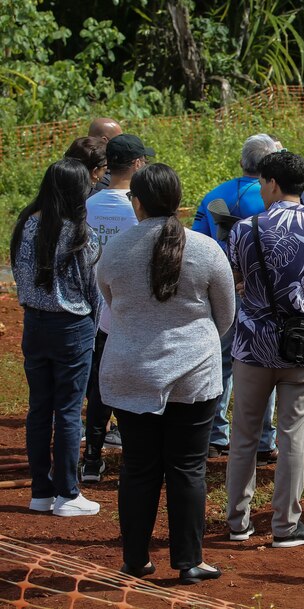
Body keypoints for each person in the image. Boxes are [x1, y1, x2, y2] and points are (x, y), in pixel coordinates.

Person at [98, 163, 235, 584]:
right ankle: (189, 561)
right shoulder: (206, 249)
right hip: (193, 376)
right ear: (178, 201)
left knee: (137, 467)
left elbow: (107, 301)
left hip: (128, 374)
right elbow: (225, 315)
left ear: (136, 202)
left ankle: (135, 559)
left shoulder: (115, 250)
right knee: (187, 467)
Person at [226, 151, 304, 548]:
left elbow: (236, 278)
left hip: (251, 346)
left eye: (261, 183)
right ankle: (286, 526)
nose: (260, 189)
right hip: (299, 347)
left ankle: (238, 523)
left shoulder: (243, 229)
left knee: (244, 436)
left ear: (273, 183)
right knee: (293, 437)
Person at [11, 158, 102, 517]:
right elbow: (93, 291)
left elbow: (20, 273)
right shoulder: (81, 233)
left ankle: (41, 491)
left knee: (39, 408)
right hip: (71, 326)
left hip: (34, 324)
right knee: (67, 411)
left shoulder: (24, 226)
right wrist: (93, 331)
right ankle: (67, 493)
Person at [191, 134, 280, 463]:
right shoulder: (274, 197)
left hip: (222, 286)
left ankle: (215, 433)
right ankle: (263, 438)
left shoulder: (216, 194)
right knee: (265, 358)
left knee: (222, 359)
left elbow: (198, 242)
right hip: (263, 289)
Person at [78, 134, 151, 482]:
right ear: (136, 164)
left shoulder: (88, 203)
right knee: (134, 379)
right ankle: (134, 453)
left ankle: (91, 459)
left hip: (90, 305)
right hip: (129, 305)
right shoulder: (139, 208)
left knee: (98, 384)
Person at [86, 117, 122, 195]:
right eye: (119, 140)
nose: (122, 143)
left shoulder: (77, 154)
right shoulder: (101, 175)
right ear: (104, 140)